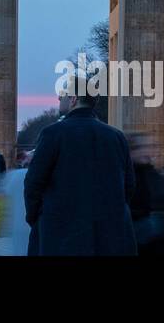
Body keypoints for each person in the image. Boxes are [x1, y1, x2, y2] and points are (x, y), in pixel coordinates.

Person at [23, 82, 133, 256]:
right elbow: (128, 186)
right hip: (107, 234)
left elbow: (33, 182)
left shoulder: (53, 133)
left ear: (74, 99)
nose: (59, 98)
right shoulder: (116, 137)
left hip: (60, 231)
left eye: (62, 94)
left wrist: (36, 217)